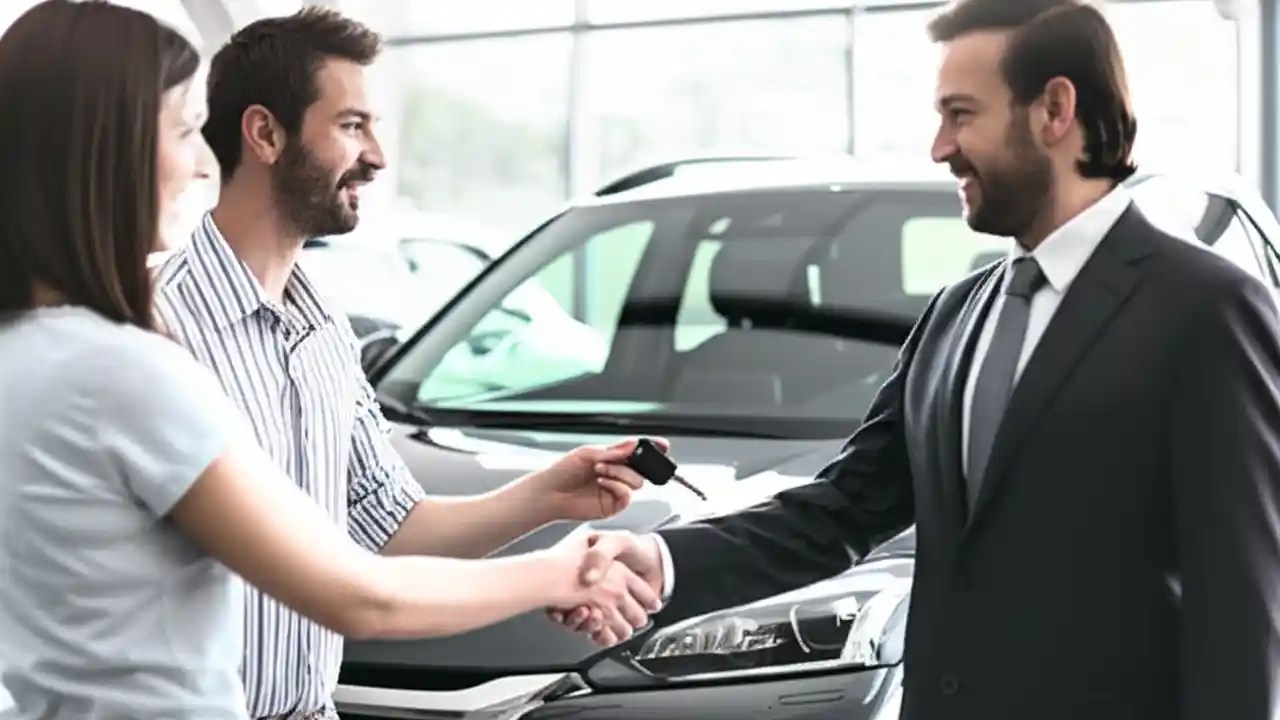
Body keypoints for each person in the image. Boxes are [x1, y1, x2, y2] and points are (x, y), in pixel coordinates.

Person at [559, 1, 1280, 718]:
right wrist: (666, 560)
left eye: (961, 114)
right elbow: (842, 510)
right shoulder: (957, 314)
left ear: (1054, 109)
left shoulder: (1207, 310)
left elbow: (1243, 609)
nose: (940, 147)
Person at [0, 2, 659, 719]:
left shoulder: (43, 345)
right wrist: (564, 573)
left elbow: (385, 524)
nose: (197, 165)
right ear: (264, 133)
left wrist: (546, 496)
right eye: (183, 131)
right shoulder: (138, 355)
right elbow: (359, 593)